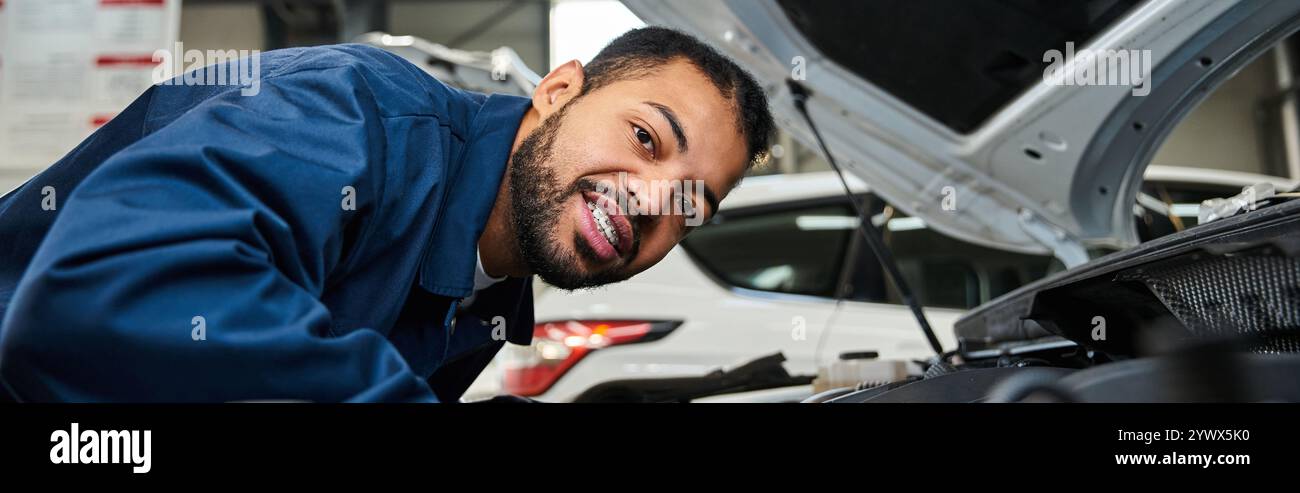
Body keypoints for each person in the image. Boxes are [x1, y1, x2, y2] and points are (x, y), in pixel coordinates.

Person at [0, 27, 774, 402]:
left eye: (689, 203)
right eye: (644, 137)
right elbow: (95, 292)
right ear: (559, 89)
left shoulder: (491, 297)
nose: (648, 200)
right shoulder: (357, 116)